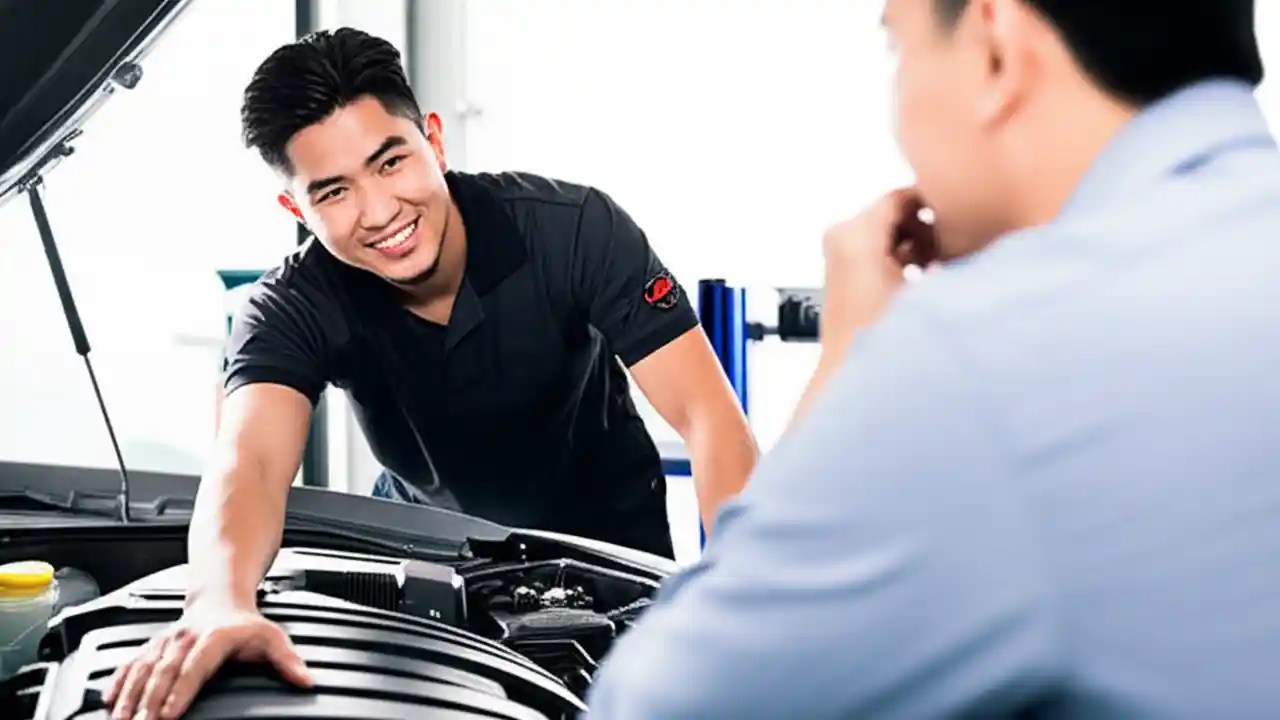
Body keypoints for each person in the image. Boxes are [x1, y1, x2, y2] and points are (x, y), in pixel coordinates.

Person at [585, 0, 1280, 717]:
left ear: (995, 49)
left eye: (900, 50)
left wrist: (848, 373)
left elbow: (653, 704)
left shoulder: (987, 363)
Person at [104, 27, 758, 720]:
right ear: (296, 210)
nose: (381, 212)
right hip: (432, 569)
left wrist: (749, 592)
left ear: (436, 142)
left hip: (612, 558)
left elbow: (707, 416)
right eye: (334, 193)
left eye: (391, 163)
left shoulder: (574, 230)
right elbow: (251, 462)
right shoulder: (292, 304)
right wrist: (218, 603)